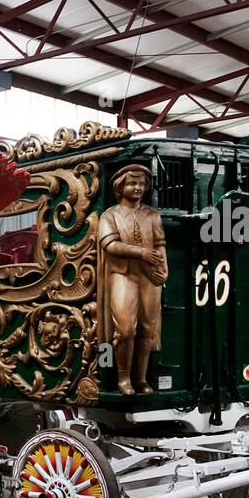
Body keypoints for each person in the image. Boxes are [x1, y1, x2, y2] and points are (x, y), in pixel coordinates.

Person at [98, 164, 168, 394]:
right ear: (120, 187)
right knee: (126, 330)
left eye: (141, 184)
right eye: (131, 183)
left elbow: (159, 244)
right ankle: (123, 378)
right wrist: (140, 252)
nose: (137, 188)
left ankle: (140, 379)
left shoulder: (151, 215)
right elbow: (109, 244)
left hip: (150, 276)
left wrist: (164, 269)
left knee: (147, 329)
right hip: (123, 274)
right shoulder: (111, 215)